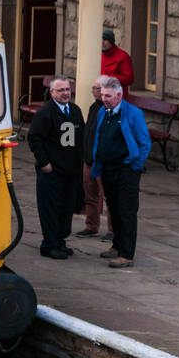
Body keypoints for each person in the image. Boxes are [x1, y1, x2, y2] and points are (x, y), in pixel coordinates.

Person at [89, 76, 151, 268]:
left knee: (127, 211)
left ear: (119, 95)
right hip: (107, 169)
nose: (104, 98)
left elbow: (144, 143)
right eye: (102, 95)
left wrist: (134, 164)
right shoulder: (103, 112)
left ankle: (126, 254)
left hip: (126, 170)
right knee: (113, 209)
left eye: (108, 95)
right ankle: (116, 245)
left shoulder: (133, 113)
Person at [27, 75, 84, 259]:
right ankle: (49, 244)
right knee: (50, 209)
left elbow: (80, 137)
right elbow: (34, 139)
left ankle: (60, 240)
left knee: (66, 209)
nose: (66, 93)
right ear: (52, 92)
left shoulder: (74, 110)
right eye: (61, 90)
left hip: (71, 171)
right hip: (52, 172)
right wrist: (44, 163)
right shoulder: (45, 113)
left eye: (68, 89)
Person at [76, 76, 106, 237]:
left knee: (108, 198)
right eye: (94, 88)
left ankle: (113, 230)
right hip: (88, 160)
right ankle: (91, 225)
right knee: (90, 196)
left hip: (102, 162)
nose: (94, 91)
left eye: (97, 88)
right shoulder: (94, 107)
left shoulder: (110, 109)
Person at [101, 29, 134, 97]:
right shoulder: (98, 55)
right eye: (100, 39)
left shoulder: (123, 56)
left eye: (105, 39)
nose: (102, 42)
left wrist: (110, 79)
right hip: (101, 98)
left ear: (111, 42)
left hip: (117, 99)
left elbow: (129, 78)